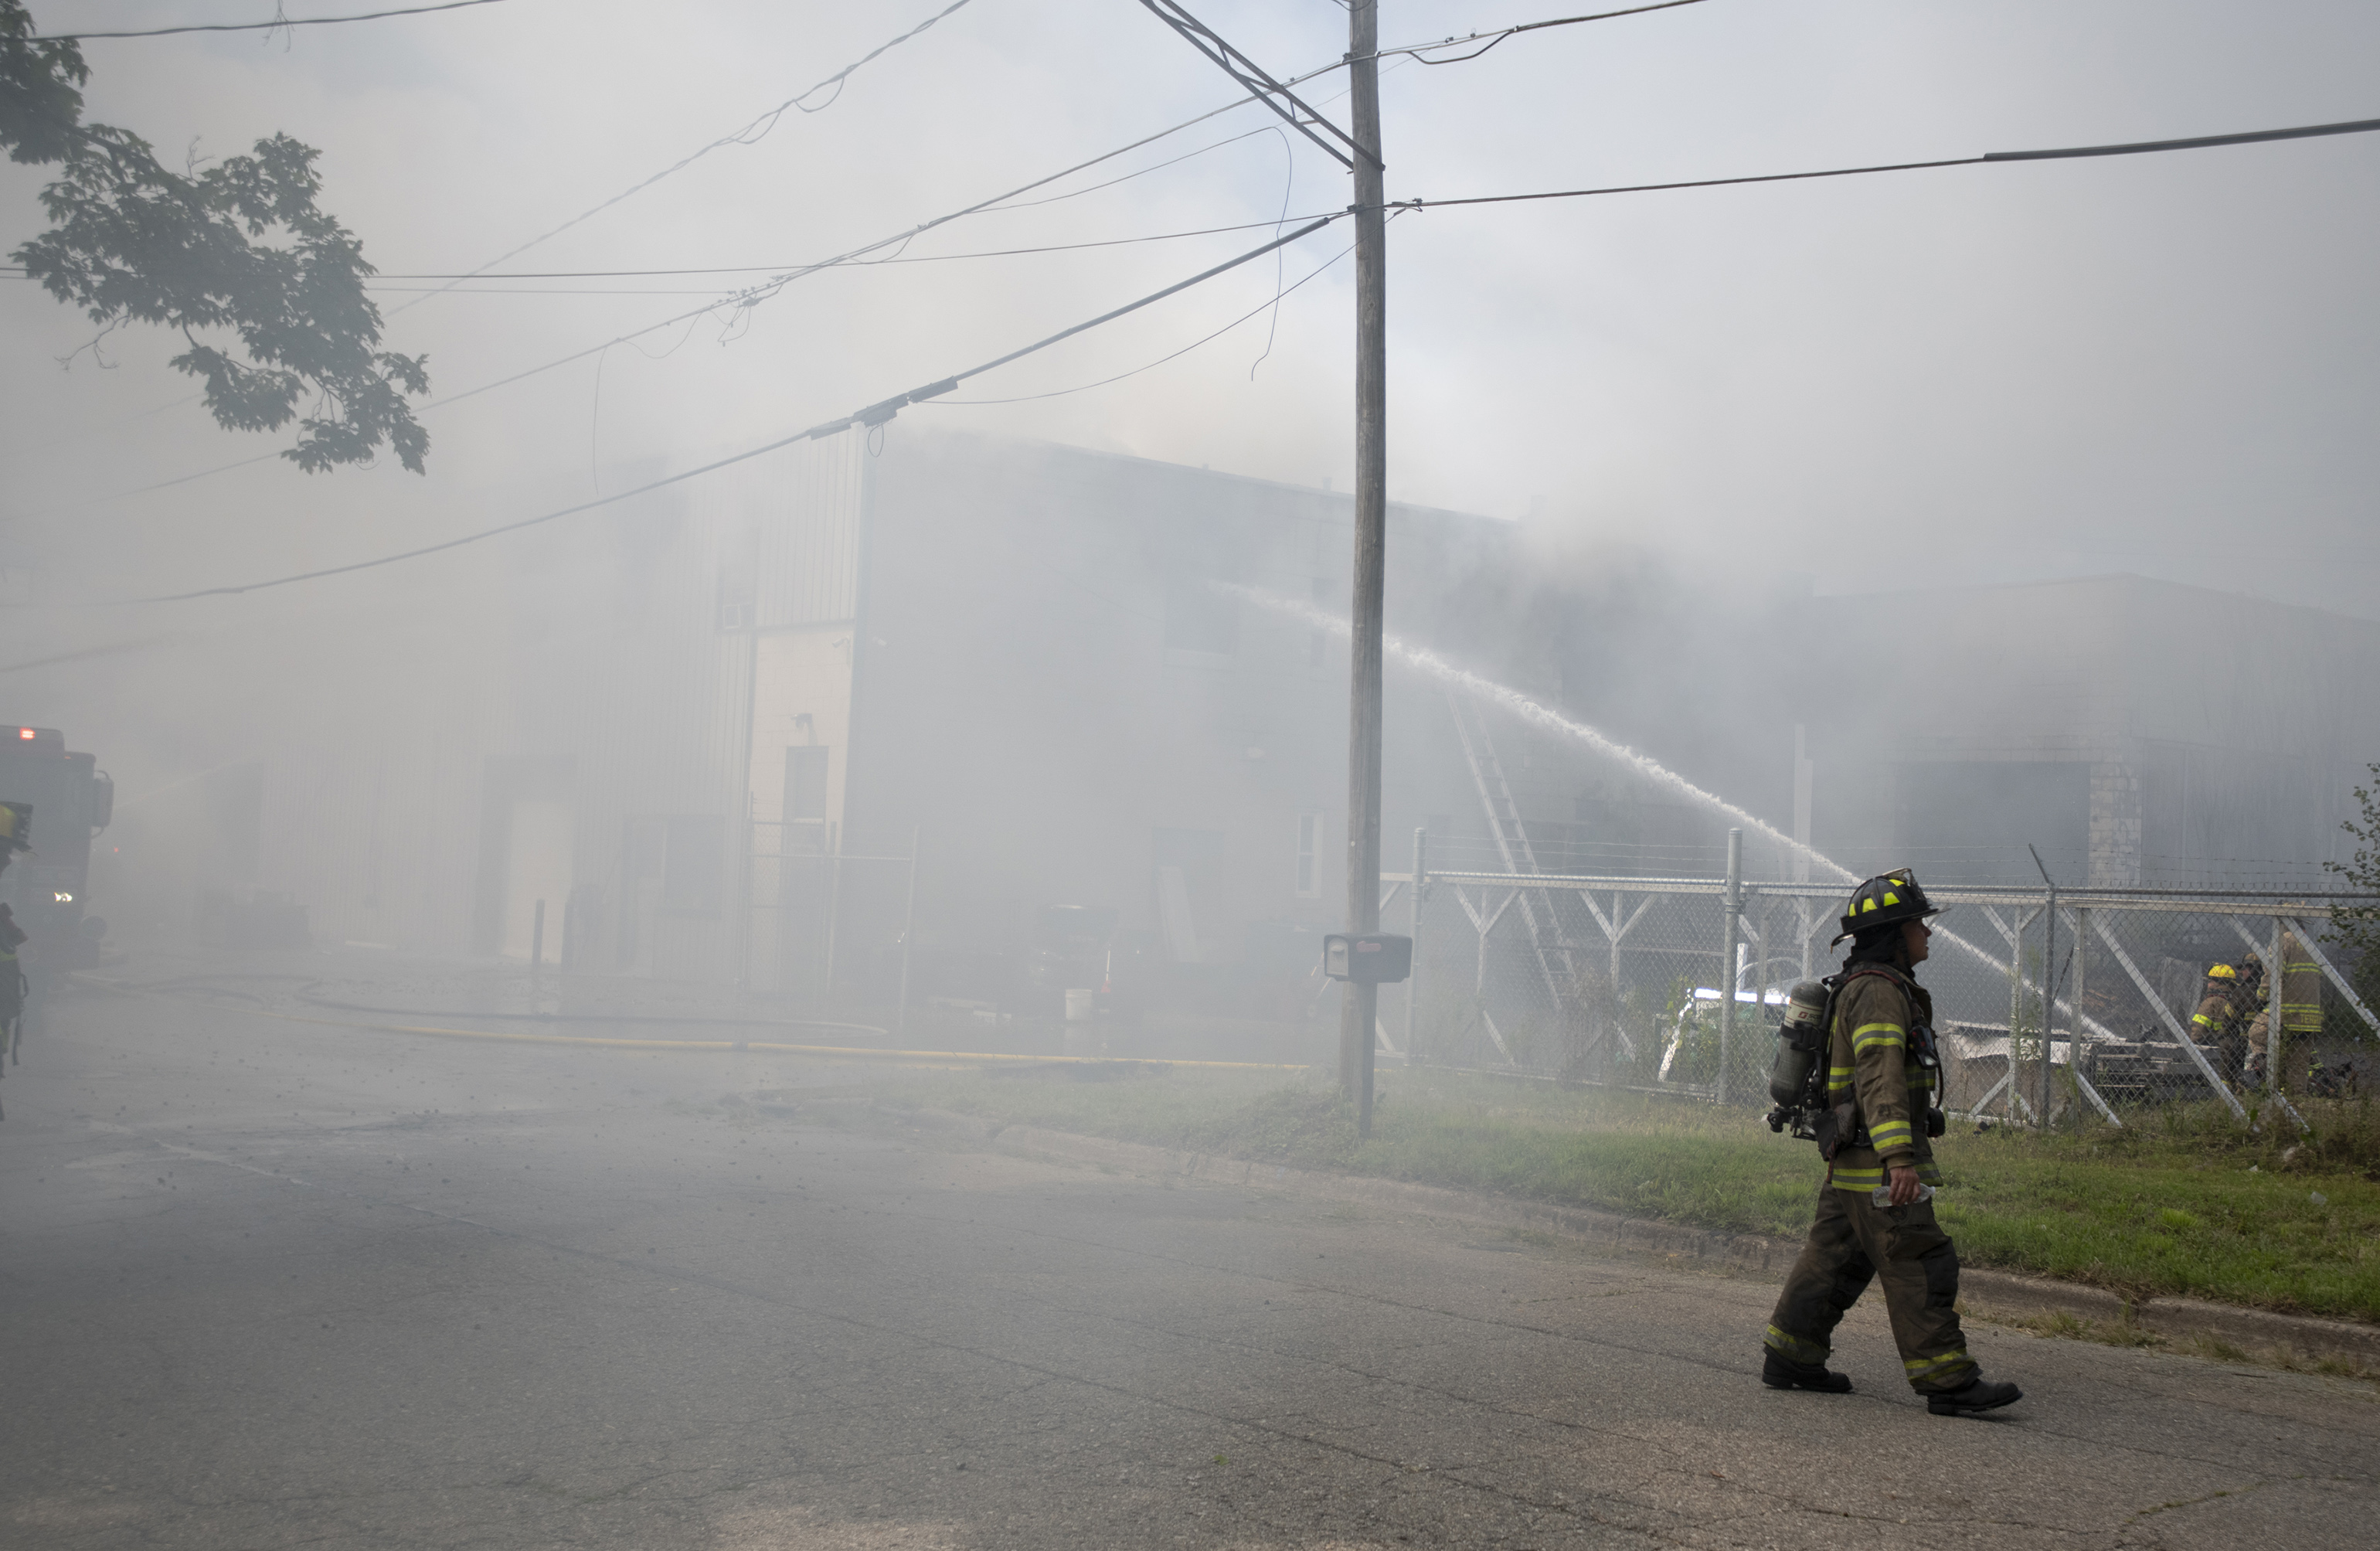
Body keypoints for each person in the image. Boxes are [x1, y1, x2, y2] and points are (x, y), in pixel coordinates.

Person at [1761, 869, 2023, 1416]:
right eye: (1917, 924)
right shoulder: (1880, 991)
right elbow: (1879, 1077)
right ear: (1893, 934)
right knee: (1918, 1257)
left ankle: (1791, 1353)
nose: (1927, 933)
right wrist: (1899, 1157)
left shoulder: (1865, 985)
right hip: (1878, 1161)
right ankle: (1947, 1379)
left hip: (1851, 1156)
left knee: (1833, 1256)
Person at [2241, 932, 2324, 1094]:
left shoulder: (2283, 940)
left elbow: (2273, 972)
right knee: (2298, 1063)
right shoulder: (2311, 943)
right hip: (2310, 1018)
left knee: (2256, 1033)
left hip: (2285, 1013)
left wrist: (2262, 995)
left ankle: (2262, 1075)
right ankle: (2295, 1099)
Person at [2186, 964, 2254, 1085]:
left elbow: (2199, 1029)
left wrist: (2191, 1048)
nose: (2208, 984)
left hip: (2216, 1049)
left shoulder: (2211, 1002)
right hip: (2238, 1047)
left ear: (2216, 983)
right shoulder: (2237, 998)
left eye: (2210, 981)